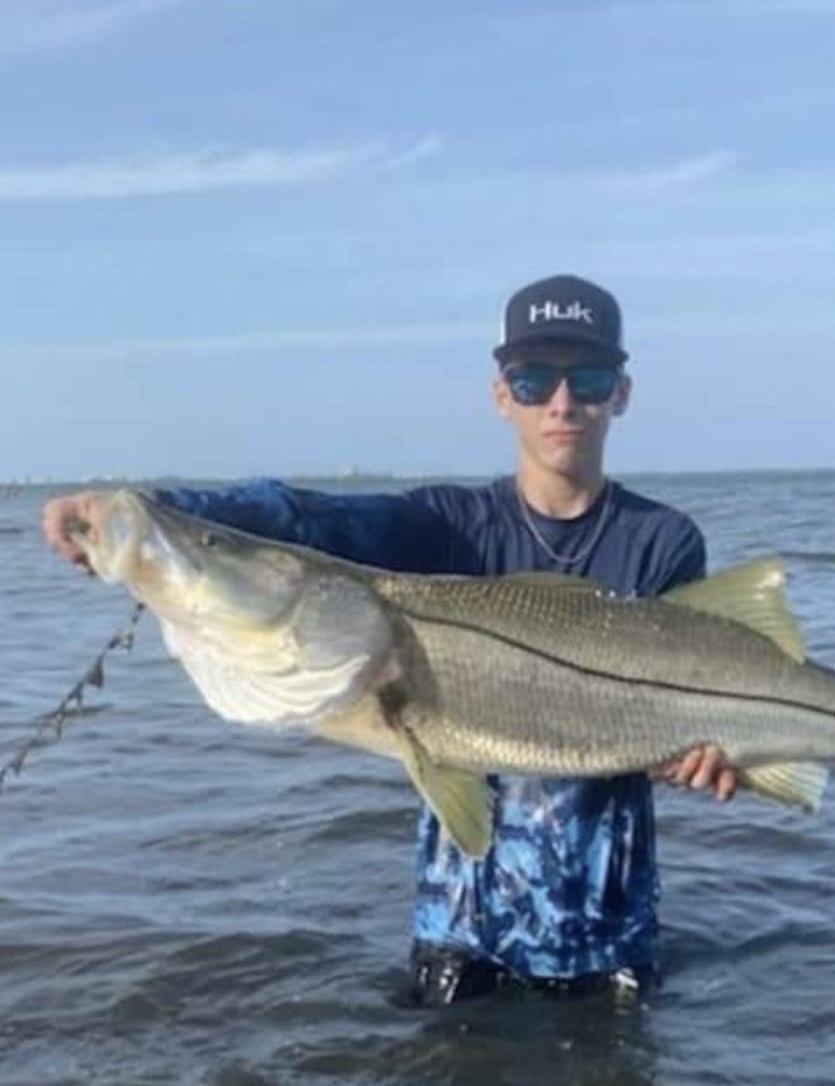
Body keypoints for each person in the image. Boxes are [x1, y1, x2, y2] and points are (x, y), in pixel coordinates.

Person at [43, 274, 734, 1007]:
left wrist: (707, 760)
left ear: (620, 392)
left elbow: (692, 714)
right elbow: (307, 520)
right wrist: (162, 511)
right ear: (502, 395)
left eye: (588, 377)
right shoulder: (443, 524)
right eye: (533, 380)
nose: (562, 403)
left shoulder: (663, 541)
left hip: (609, 928)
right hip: (460, 926)